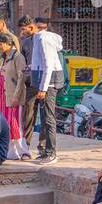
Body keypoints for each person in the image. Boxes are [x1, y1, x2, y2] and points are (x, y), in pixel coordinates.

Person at [29, 15, 65, 164]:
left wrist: (43, 88)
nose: (25, 30)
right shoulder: (38, 39)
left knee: (49, 118)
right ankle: (44, 151)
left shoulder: (44, 39)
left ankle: (51, 153)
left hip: (49, 83)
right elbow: (40, 62)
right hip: (45, 81)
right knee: (44, 117)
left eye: (27, 27)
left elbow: (48, 65)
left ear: (34, 27)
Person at [0, 31, 30, 159]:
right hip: (3, 96)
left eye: (0, 44)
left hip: (13, 95)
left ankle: (23, 151)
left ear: (8, 44)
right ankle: (11, 152)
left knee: (15, 123)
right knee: (6, 124)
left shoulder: (17, 56)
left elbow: (22, 77)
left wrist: (16, 95)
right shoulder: (4, 57)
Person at [17, 16, 40, 160]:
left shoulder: (43, 40)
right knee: (28, 116)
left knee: (47, 118)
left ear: (30, 26)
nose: (22, 31)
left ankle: (45, 149)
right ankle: (26, 148)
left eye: (24, 28)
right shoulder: (25, 43)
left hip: (45, 83)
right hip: (31, 83)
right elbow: (24, 63)